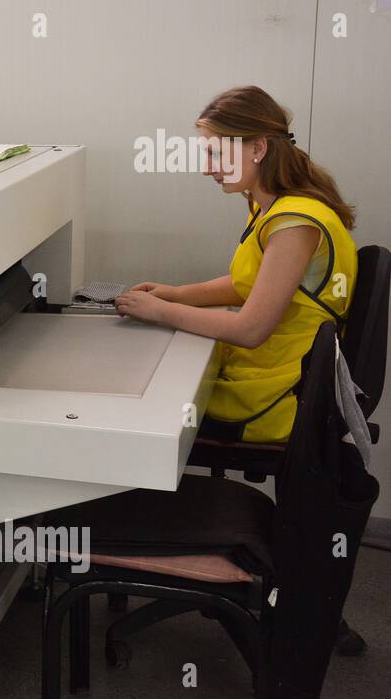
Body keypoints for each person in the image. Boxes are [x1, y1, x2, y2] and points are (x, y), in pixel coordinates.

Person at [114, 85, 357, 443]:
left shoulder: (295, 223)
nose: (207, 169)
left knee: (144, 412)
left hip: (276, 398)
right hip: (269, 373)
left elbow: (250, 329)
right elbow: (253, 284)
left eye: (215, 154)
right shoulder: (274, 205)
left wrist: (160, 312)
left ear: (258, 148)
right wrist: (177, 295)